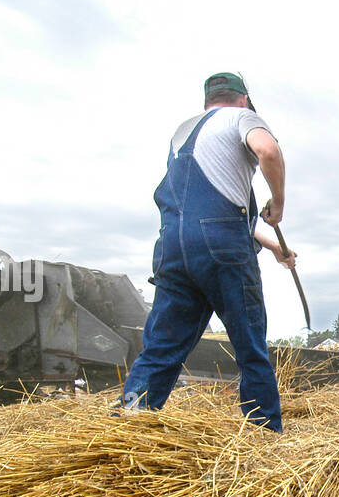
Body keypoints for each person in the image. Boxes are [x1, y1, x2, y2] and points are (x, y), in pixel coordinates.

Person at [119, 72, 296, 430]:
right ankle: (263, 436)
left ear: (207, 100)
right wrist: (278, 203)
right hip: (221, 249)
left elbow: (206, 213)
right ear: (243, 99)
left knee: (161, 348)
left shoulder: (182, 132)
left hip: (173, 247)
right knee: (249, 345)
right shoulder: (242, 117)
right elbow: (268, 151)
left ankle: (128, 424)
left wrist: (275, 246)